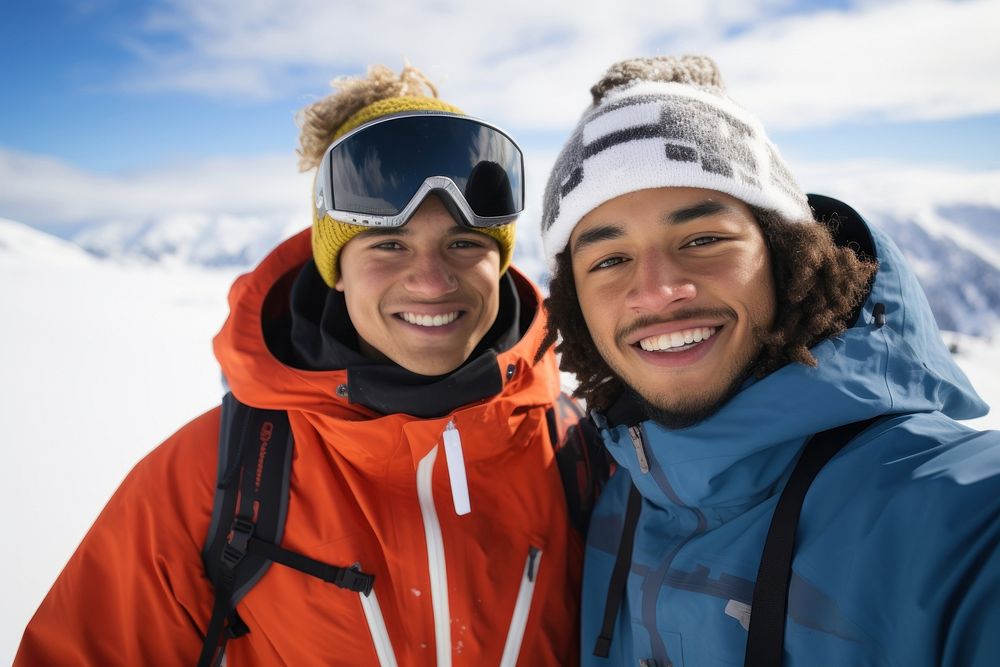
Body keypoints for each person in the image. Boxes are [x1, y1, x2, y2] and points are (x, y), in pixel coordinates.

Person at [16, 64, 603, 666]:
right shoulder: (207, 482)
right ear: (337, 272)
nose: (431, 281)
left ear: (499, 261)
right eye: (389, 245)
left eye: (462, 243)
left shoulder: (579, 451)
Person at [539, 55, 1000, 666]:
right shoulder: (616, 497)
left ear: (786, 256)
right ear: (576, 307)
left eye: (703, 240)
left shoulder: (959, 524)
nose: (656, 290)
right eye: (608, 259)